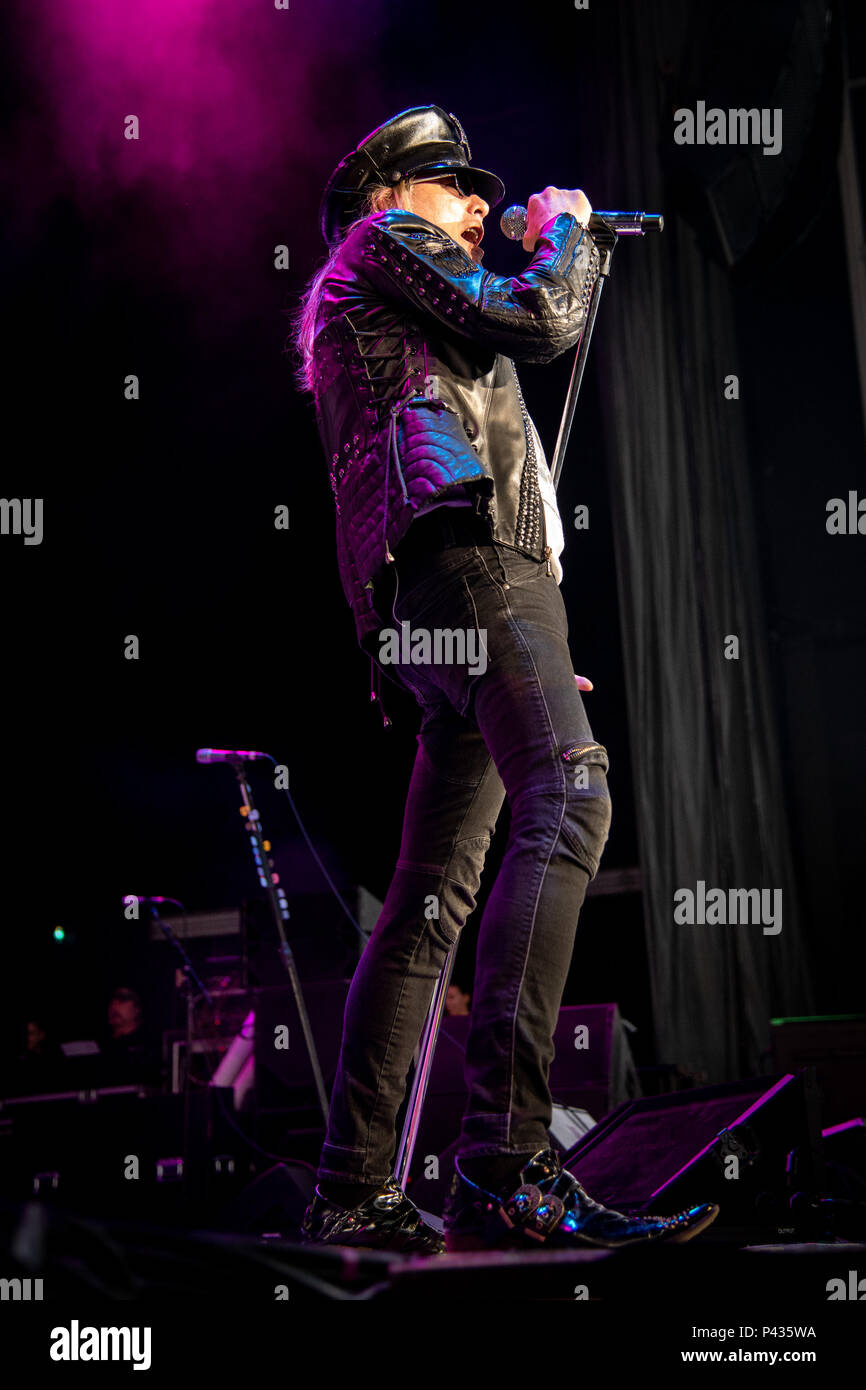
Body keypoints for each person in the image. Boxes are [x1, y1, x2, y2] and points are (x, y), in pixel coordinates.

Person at [292, 106, 718, 1255]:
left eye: (485, 189)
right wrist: (566, 235)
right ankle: (505, 1154)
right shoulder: (380, 249)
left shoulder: (390, 303)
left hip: (452, 605)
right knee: (573, 796)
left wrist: (515, 645)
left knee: (426, 904)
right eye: (450, 182)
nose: (479, 203)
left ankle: (350, 1185)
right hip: (471, 574)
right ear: (383, 193)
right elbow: (542, 319)